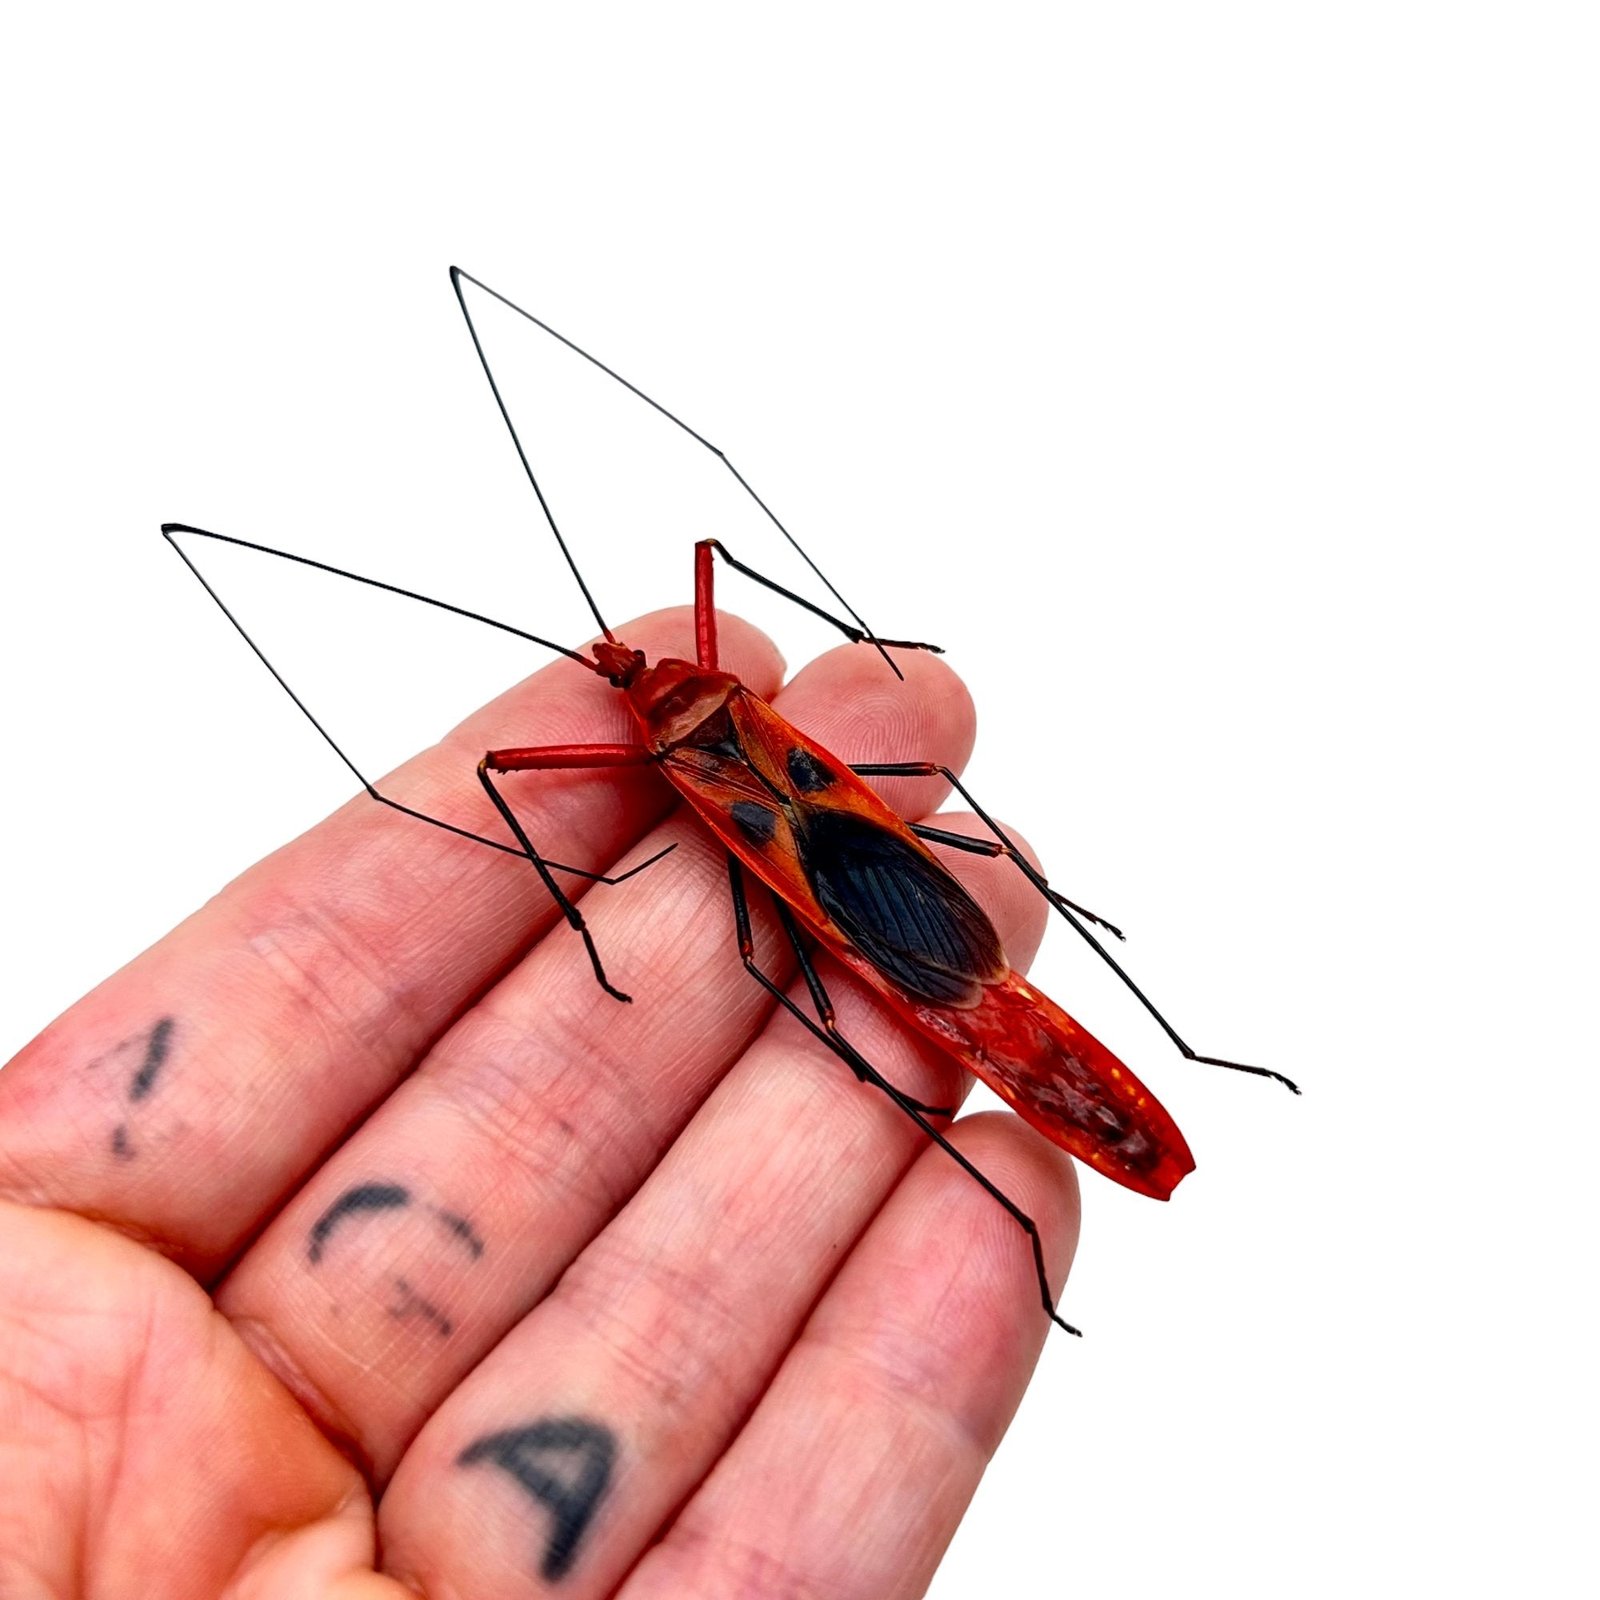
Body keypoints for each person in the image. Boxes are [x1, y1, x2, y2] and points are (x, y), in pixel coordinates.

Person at [0, 608, 1076, 1598]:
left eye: (620, 669)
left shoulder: (674, 739)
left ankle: (1065, 1125)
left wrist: (594, 926)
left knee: (775, 968)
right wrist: (579, 926)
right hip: (830, 853)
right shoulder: (708, 720)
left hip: (814, 858)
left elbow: (491, 777)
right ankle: (1067, 1127)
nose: (616, 661)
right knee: (843, 925)